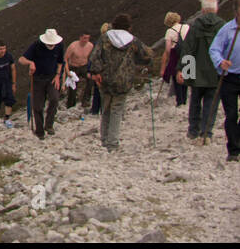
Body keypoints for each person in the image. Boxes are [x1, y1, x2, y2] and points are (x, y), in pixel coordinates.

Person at [89, 13, 152, 151]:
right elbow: (145, 56)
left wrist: (96, 72)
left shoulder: (105, 38)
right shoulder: (133, 41)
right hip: (124, 80)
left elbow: (95, 57)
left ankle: (104, 140)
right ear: (129, 27)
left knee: (105, 108)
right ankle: (113, 142)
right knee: (117, 110)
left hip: (105, 79)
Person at [178, 0, 223, 145]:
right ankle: (206, 133)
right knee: (212, 102)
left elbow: (188, 50)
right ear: (216, 10)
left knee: (195, 101)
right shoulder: (222, 25)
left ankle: (193, 131)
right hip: (216, 71)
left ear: (203, 10)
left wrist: (184, 71)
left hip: (196, 71)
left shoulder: (195, 25)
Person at [18, 28, 64, 140]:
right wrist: (31, 62)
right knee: (38, 106)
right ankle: (39, 131)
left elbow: (60, 62)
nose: (51, 45)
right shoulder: (36, 45)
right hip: (38, 78)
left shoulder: (59, 45)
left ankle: (49, 125)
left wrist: (58, 75)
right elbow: (21, 59)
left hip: (52, 77)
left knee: (54, 99)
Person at [208, 5, 240, 162]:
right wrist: (221, 62)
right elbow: (214, 49)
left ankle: (237, 139)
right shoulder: (227, 30)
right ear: (236, 13)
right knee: (231, 114)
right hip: (229, 77)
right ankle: (233, 150)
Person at [161, 12, 190, 108]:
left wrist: (164, 66)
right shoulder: (186, 27)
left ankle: (180, 101)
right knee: (185, 76)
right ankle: (185, 100)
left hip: (175, 55)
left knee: (176, 78)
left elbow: (168, 50)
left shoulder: (169, 31)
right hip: (187, 54)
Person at [64, 31, 95, 115]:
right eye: (84, 38)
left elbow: (92, 58)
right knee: (73, 85)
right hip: (73, 66)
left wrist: (90, 70)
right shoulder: (73, 46)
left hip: (84, 66)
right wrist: (67, 72)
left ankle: (85, 100)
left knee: (91, 79)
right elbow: (65, 59)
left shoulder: (90, 46)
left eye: (88, 38)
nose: (86, 40)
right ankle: (70, 104)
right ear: (80, 38)